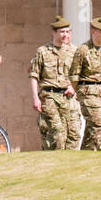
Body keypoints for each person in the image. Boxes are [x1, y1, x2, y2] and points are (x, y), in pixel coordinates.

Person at [29, 17, 80, 151]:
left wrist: (73, 87)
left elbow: (81, 75)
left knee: (73, 135)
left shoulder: (75, 52)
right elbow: (34, 75)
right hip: (49, 96)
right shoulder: (43, 51)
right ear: (54, 32)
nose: (66, 35)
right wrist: (35, 98)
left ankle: (70, 167)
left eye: (68, 32)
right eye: (62, 32)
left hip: (68, 98)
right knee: (57, 134)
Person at [70, 17, 101, 151]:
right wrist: (77, 93)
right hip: (87, 90)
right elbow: (74, 75)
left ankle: (85, 155)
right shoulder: (83, 50)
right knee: (99, 126)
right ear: (93, 31)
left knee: (91, 127)